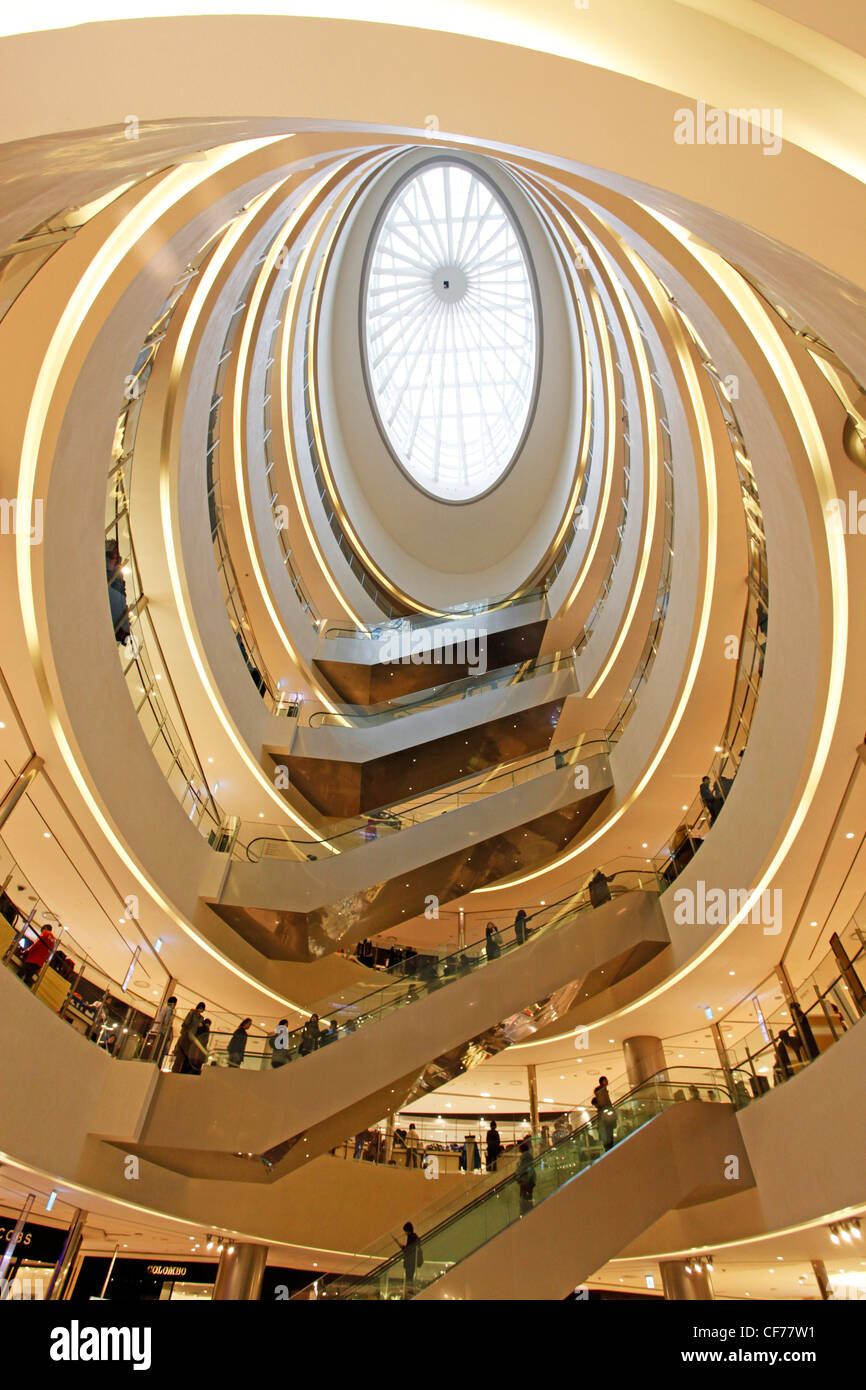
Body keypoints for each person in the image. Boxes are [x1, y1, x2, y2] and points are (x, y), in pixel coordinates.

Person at [172, 1002, 207, 1073]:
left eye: (202, 1008)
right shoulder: (192, 1013)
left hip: (192, 1039)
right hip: (186, 1036)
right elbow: (186, 1023)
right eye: (200, 1007)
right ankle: (175, 1070)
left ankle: (183, 1071)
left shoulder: (201, 1018)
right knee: (180, 1054)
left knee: (188, 1056)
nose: (200, 1009)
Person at [395, 1221, 423, 1297]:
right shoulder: (414, 1237)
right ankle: (410, 1294)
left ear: (408, 1230)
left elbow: (409, 1250)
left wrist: (403, 1247)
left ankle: (409, 1295)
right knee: (409, 1279)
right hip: (412, 1262)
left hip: (410, 1262)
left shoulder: (412, 1237)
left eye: (406, 1231)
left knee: (409, 1279)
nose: (405, 1233)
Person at [151, 995, 177, 1066]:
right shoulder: (170, 1010)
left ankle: (153, 1061)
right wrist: (167, 1031)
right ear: (174, 1003)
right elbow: (167, 1021)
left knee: (154, 1049)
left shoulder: (164, 1009)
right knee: (160, 1050)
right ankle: (157, 1064)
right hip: (161, 1032)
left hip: (155, 1030)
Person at [592, 1076, 616, 1151]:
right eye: (605, 1080)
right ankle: (609, 1147)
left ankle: (608, 1147)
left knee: (608, 1134)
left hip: (605, 1116)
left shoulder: (603, 1091)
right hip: (606, 1117)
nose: (607, 1082)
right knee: (608, 1133)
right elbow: (605, 1103)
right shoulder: (602, 1091)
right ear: (602, 1082)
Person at [515, 1141, 537, 1216]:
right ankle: (527, 1212)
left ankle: (525, 1213)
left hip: (525, 1180)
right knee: (527, 1197)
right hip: (528, 1180)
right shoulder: (528, 1156)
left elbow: (523, 1168)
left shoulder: (525, 1157)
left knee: (524, 1198)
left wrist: (519, 1176)